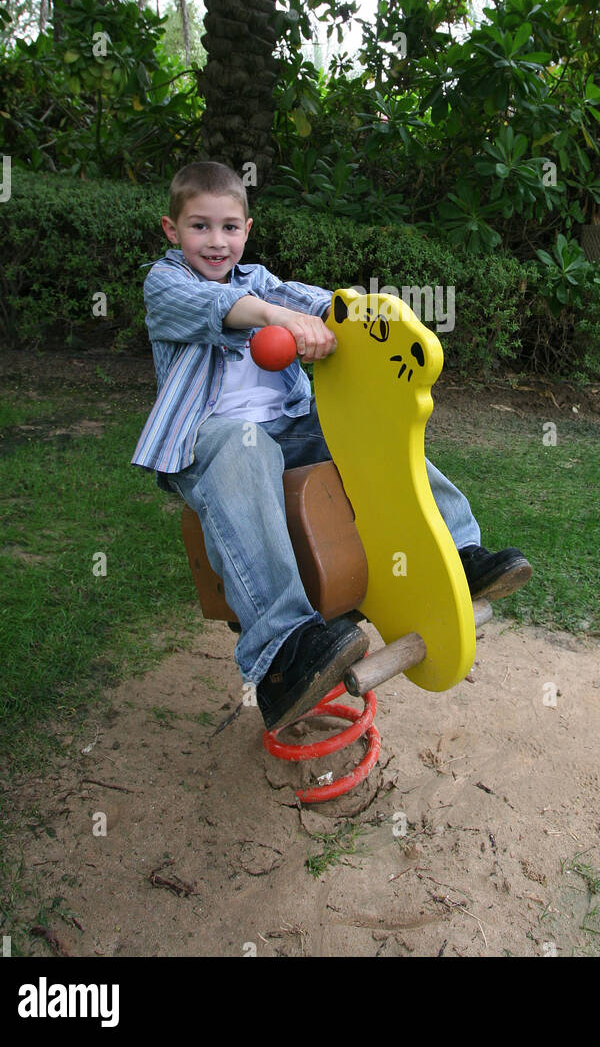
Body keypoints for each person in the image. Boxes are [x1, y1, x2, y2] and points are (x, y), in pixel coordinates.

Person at [132, 161, 531, 730]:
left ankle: (457, 553)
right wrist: (279, 318)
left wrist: (346, 321)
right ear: (172, 231)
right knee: (245, 444)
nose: (216, 241)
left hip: (290, 426)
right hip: (210, 439)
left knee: (373, 436)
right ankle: (283, 653)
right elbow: (219, 310)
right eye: (200, 227)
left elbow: (321, 303)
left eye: (229, 227)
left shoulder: (259, 279)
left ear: (246, 229)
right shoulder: (166, 282)